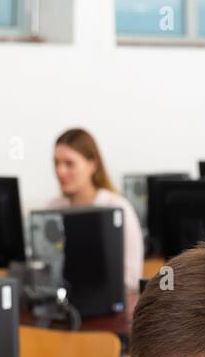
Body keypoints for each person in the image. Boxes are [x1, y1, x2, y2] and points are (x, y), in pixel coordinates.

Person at [48, 127, 144, 298]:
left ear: (92, 165)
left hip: (106, 306)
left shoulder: (117, 207)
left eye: (69, 163)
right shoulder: (52, 208)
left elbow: (132, 277)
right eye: (56, 163)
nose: (60, 171)